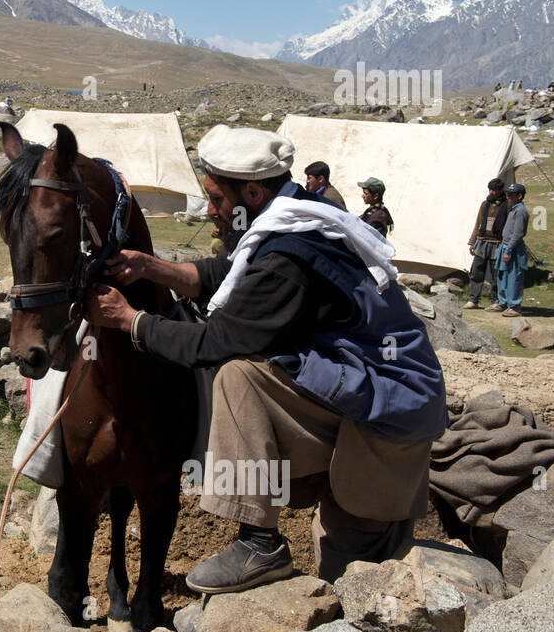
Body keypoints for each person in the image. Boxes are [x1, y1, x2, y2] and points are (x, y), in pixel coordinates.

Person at [85, 125, 447, 591]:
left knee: (361, 579)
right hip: (362, 393)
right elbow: (228, 271)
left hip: (386, 420)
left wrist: (129, 320)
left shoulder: (288, 257)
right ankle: (271, 532)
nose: (210, 210)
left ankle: (259, 544)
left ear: (252, 191)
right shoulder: (293, 215)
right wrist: (153, 267)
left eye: (216, 198)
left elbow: (213, 343)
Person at [463, 178, 509, 310]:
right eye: (490, 189)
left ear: (500, 190)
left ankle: (496, 300)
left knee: (496, 273)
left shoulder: (506, 205)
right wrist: (473, 242)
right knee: (476, 271)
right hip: (482, 241)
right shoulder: (485, 204)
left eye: (494, 189)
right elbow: (478, 224)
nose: (491, 192)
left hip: (497, 243)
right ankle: (473, 299)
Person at [493, 184, 529, 317]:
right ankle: (502, 302)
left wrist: (509, 250)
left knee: (514, 277)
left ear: (519, 196)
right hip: (505, 246)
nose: (507, 197)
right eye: (507, 194)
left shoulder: (521, 211)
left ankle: (514, 305)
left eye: (511, 195)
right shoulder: (513, 209)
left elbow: (518, 233)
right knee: (502, 275)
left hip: (513, 249)